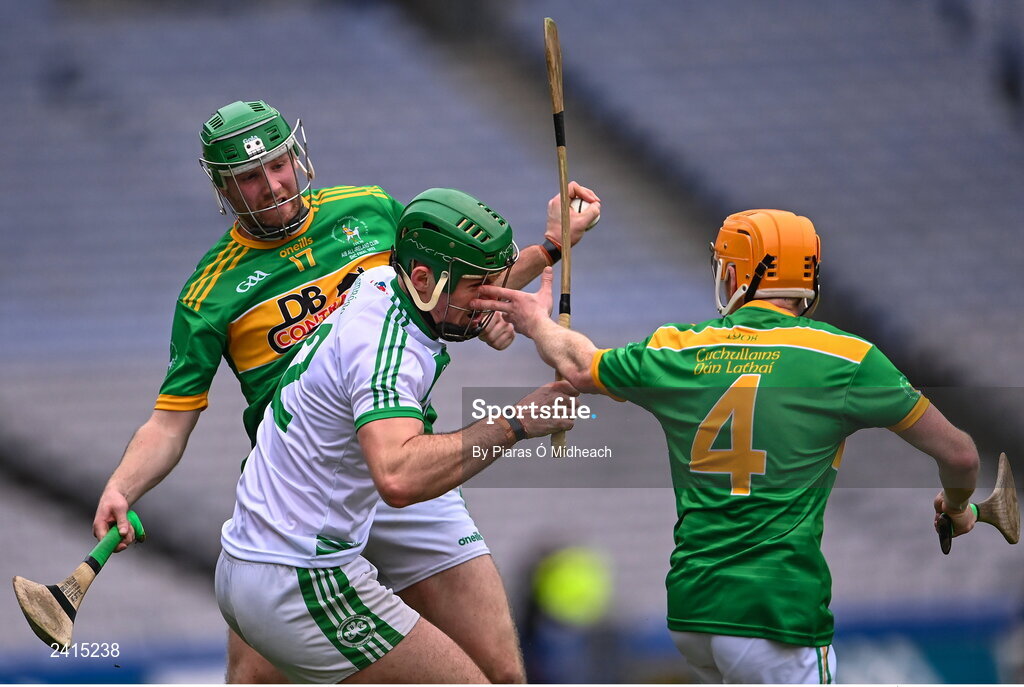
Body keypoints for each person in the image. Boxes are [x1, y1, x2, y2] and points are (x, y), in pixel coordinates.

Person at [91, 100, 601, 683]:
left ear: (297, 155)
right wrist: (122, 486)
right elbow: (168, 424)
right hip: (304, 485)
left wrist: (550, 252)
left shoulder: (371, 209)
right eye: (250, 179)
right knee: (254, 680)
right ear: (223, 191)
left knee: (502, 674)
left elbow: (449, 293)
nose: (273, 185)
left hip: (406, 448)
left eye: (279, 165)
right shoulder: (210, 294)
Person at [473, 208, 982, 684]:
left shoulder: (678, 348)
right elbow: (959, 454)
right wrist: (957, 505)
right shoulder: (847, 357)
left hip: (694, 612)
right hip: (774, 612)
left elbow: (580, 363)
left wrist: (535, 321)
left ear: (737, 276)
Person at [217, 186, 577, 682]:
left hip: (267, 561)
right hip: (297, 576)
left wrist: (552, 250)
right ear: (425, 278)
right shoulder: (385, 351)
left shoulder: (383, 281)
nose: (492, 300)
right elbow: (398, 477)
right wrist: (517, 422)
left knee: (503, 677)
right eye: (482, 287)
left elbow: (459, 300)